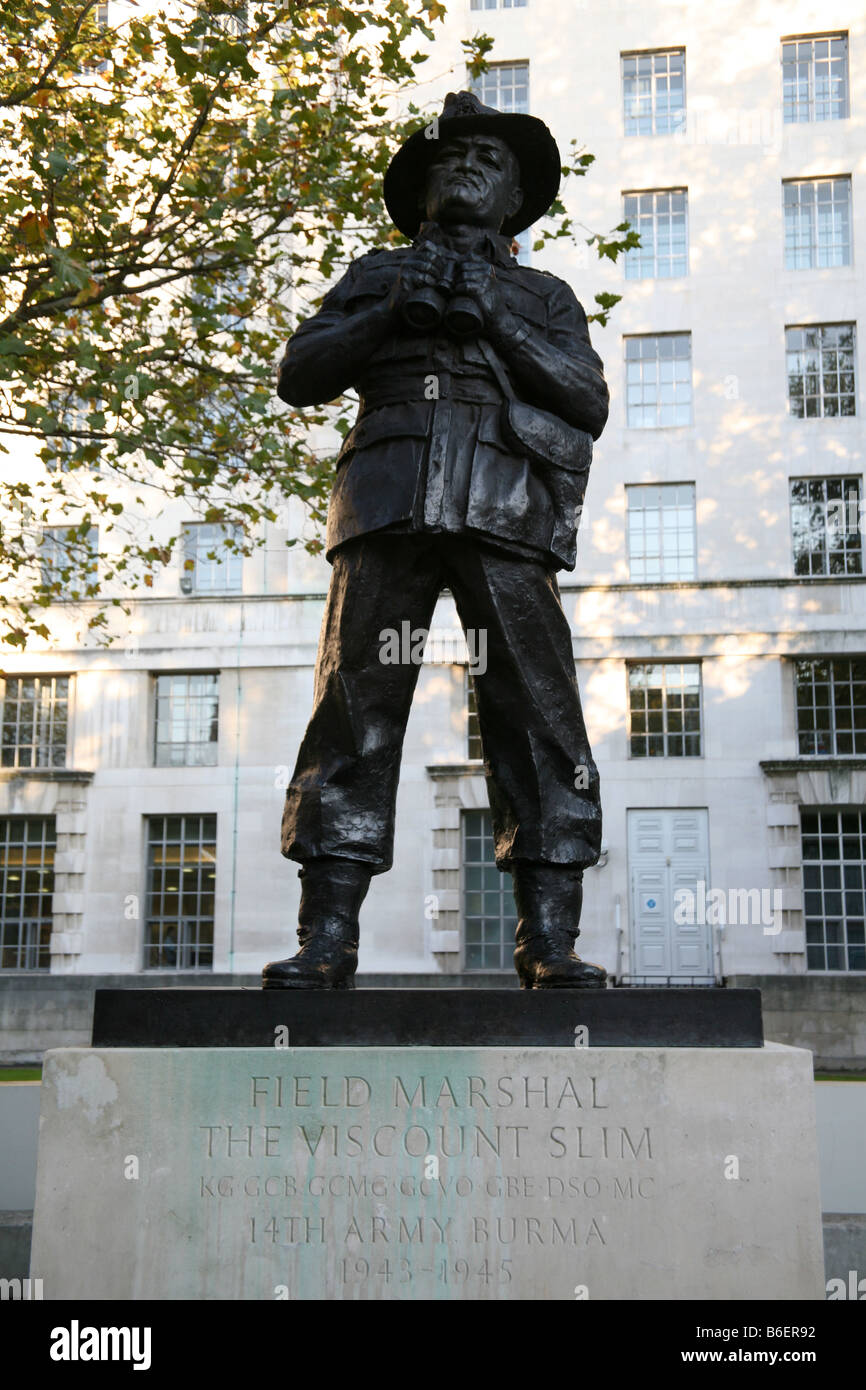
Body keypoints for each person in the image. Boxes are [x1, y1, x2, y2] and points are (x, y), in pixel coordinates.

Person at [264, 90, 609, 990]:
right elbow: (299, 376)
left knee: (535, 714)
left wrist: (492, 314)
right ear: (420, 195)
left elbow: (587, 401)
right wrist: (391, 313)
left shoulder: (544, 294)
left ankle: (549, 940)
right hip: (387, 506)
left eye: (489, 163)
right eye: (449, 162)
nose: (466, 170)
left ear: (513, 202)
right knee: (355, 710)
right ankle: (328, 939)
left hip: (506, 514)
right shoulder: (375, 273)